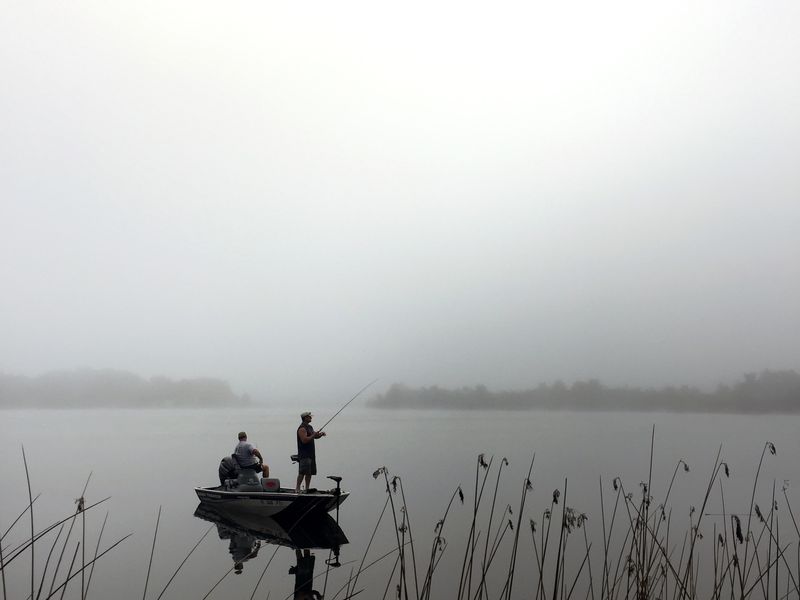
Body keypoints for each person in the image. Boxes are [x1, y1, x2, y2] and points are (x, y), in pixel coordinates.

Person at [296, 412, 325, 492]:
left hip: (311, 454)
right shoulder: (302, 428)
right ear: (305, 418)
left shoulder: (310, 427)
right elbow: (304, 440)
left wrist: (320, 435)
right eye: (309, 417)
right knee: (302, 472)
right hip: (304, 454)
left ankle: (307, 488)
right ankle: (297, 488)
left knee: (309, 473)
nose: (311, 418)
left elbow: (313, 437)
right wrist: (313, 435)